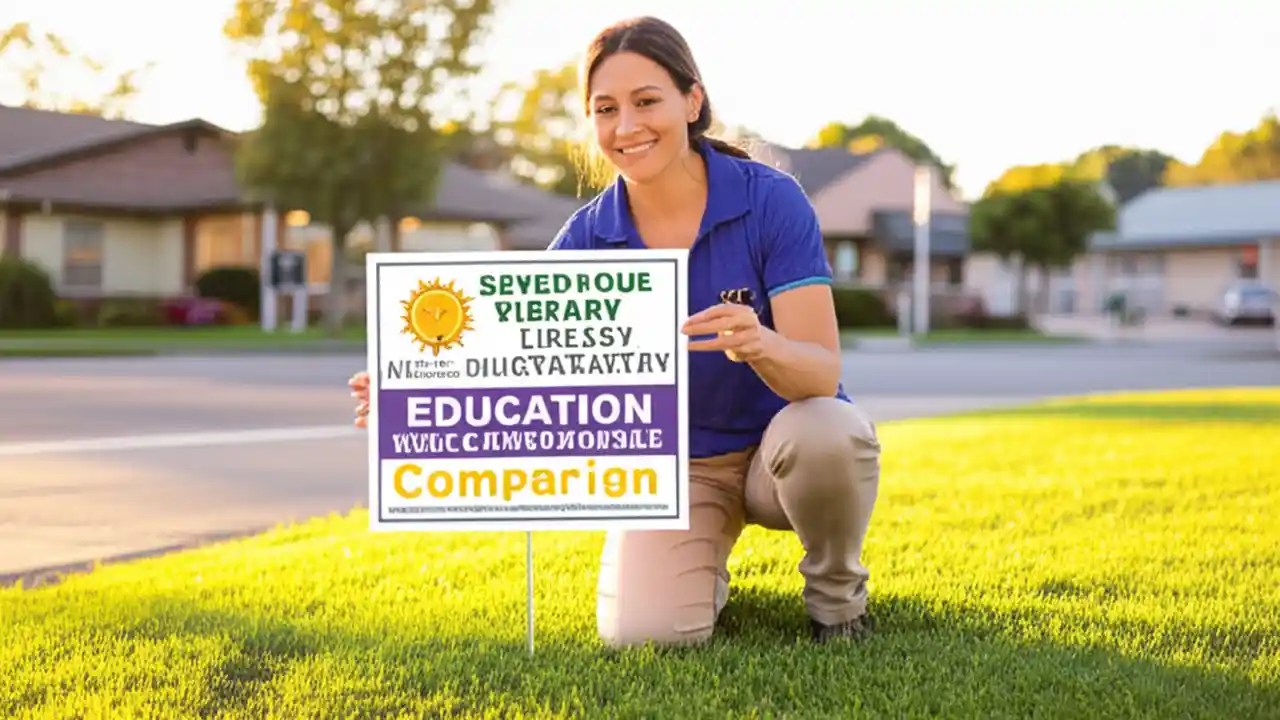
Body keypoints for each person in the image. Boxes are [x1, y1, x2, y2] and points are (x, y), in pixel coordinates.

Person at [349, 15, 882, 648]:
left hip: (781, 451)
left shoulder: (772, 200)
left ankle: (836, 599)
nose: (626, 127)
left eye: (646, 101)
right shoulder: (584, 239)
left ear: (692, 100)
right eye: (605, 109)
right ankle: (698, 567)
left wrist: (760, 343)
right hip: (679, 472)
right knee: (645, 635)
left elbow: (821, 373)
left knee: (829, 430)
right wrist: (412, 402)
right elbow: (516, 367)